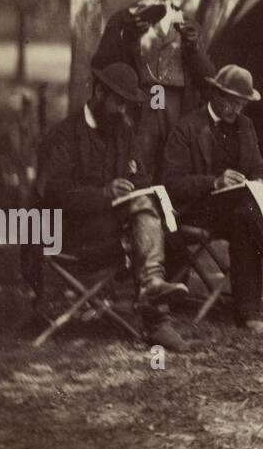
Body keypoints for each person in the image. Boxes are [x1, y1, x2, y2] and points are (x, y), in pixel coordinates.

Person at [38, 63, 192, 351]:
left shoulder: (123, 131)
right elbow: (54, 196)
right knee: (143, 216)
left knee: (148, 207)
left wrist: (133, 188)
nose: (123, 110)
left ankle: (154, 298)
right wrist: (104, 193)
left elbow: (140, 177)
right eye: (118, 102)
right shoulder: (64, 136)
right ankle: (156, 310)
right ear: (98, 92)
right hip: (71, 232)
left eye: (127, 104)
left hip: (117, 227)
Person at [161, 64, 263, 333]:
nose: (236, 110)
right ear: (215, 95)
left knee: (245, 214)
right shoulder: (187, 127)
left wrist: (261, 182)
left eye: (241, 104)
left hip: (234, 209)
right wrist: (214, 181)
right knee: (246, 209)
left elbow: (259, 167)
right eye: (232, 103)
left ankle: (249, 314)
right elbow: (172, 184)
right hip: (194, 210)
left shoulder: (245, 126)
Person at [93, 0, 214, 167]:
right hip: (138, 102)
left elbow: (207, 78)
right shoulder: (125, 18)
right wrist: (127, 38)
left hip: (176, 105)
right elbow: (102, 64)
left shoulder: (189, 24)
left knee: (173, 162)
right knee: (136, 160)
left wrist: (194, 48)